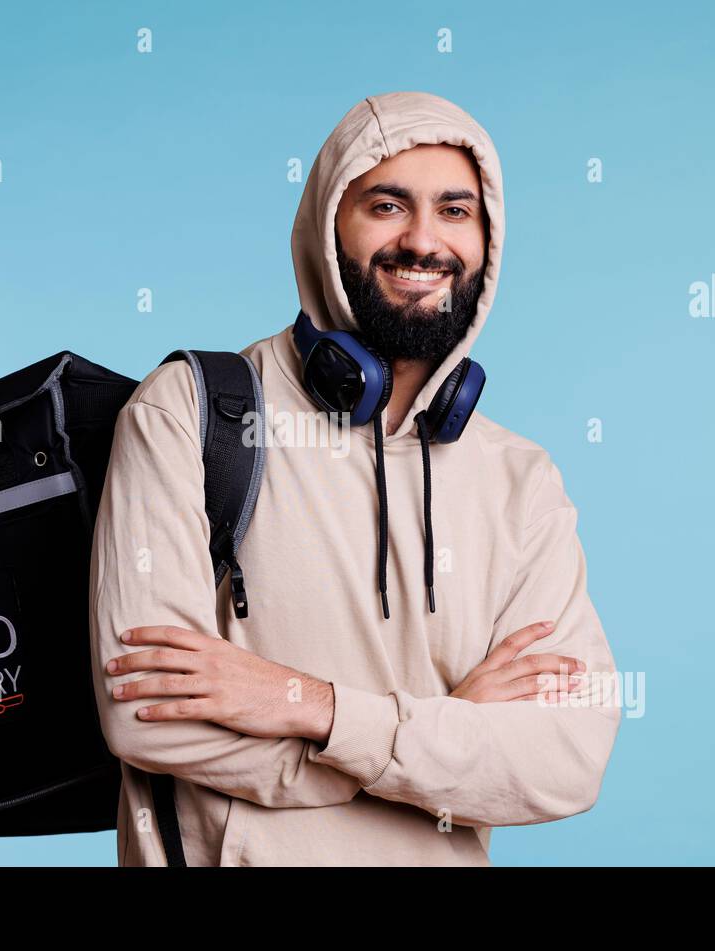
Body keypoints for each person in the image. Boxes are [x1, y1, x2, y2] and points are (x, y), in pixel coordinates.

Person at [88, 91, 621, 866]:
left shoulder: (521, 481)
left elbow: (568, 758)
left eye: (455, 211)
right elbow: (147, 716)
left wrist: (312, 708)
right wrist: (442, 727)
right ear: (326, 225)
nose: (423, 241)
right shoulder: (190, 414)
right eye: (386, 205)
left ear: (487, 239)